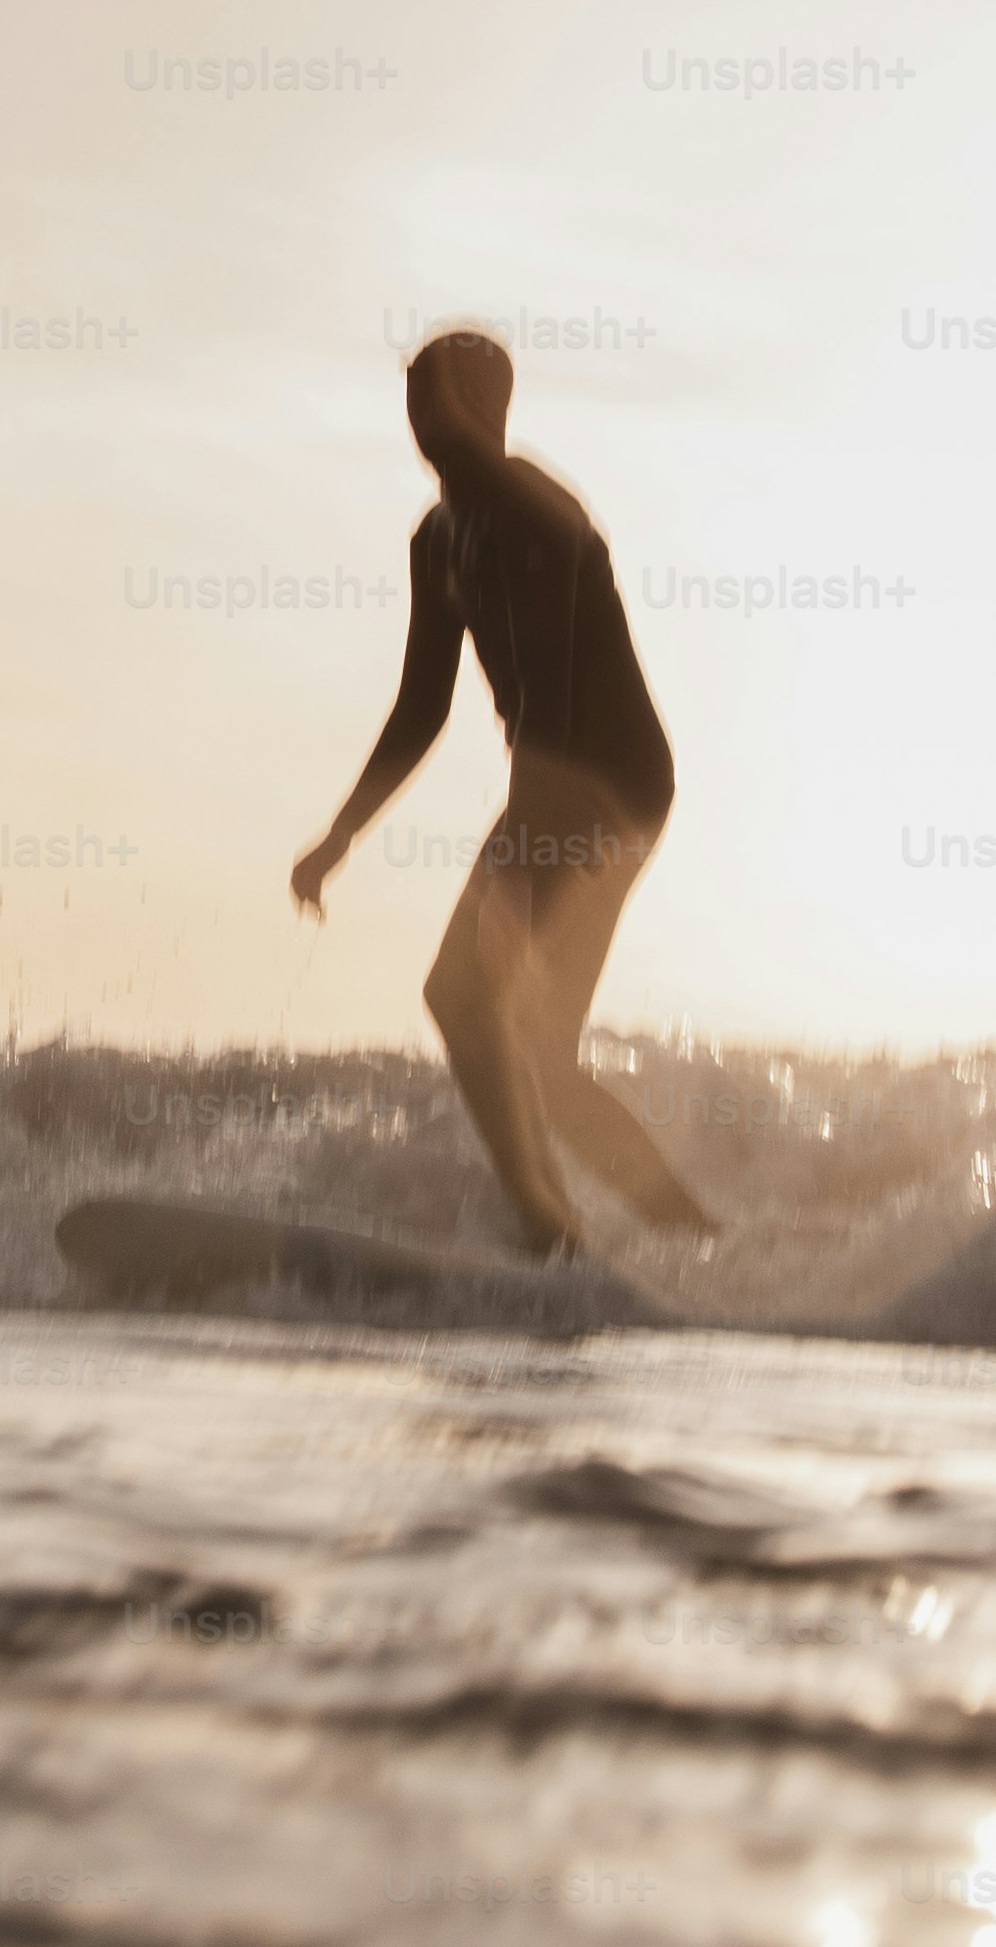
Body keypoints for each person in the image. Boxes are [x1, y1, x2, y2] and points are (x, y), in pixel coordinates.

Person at [290, 327, 719, 1257]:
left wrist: (522, 856)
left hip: (607, 783)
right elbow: (421, 707)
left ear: (487, 409)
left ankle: (551, 1233)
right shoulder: (437, 540)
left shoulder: (538, 510)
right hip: (552, 792)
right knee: (531, 1044)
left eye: (437, 397)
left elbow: (555, 706)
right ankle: (691, 1241)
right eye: (412, 398)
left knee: (465, 994)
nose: (421, 419)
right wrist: (341, 835)